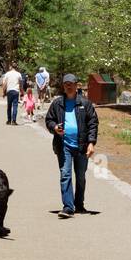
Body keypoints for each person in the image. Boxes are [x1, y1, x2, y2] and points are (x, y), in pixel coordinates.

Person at [45, 74, 98, 218]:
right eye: (66, 84)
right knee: (65, 174)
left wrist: (91, 143)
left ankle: (79, 204)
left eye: (71, 83)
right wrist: (55, 127)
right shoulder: (57, 103)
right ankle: (68, 206)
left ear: (76, 86)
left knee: (80, 176)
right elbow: (49, 119)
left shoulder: (85, 103)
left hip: (81, 146)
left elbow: (93, 123)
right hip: (64, 146)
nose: (69, 86)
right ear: (63, 86)